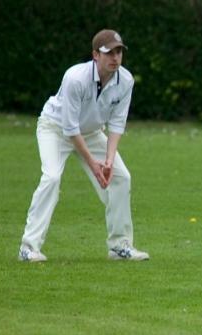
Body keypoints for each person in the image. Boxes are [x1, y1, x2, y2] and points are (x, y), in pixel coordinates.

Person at [19, 29, 149, 263]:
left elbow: (117, 123)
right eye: (109, 52)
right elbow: (70, 128)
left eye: (119, 52)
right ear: (95, 55)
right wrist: (94, 165)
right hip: (55, 129)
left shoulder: (126, 80)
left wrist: (108, 161)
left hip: (91, 132)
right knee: (52, 178)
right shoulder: (75, 78)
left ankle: (120, 245)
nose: (115, 58)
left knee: (121, 177)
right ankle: (28, 248)